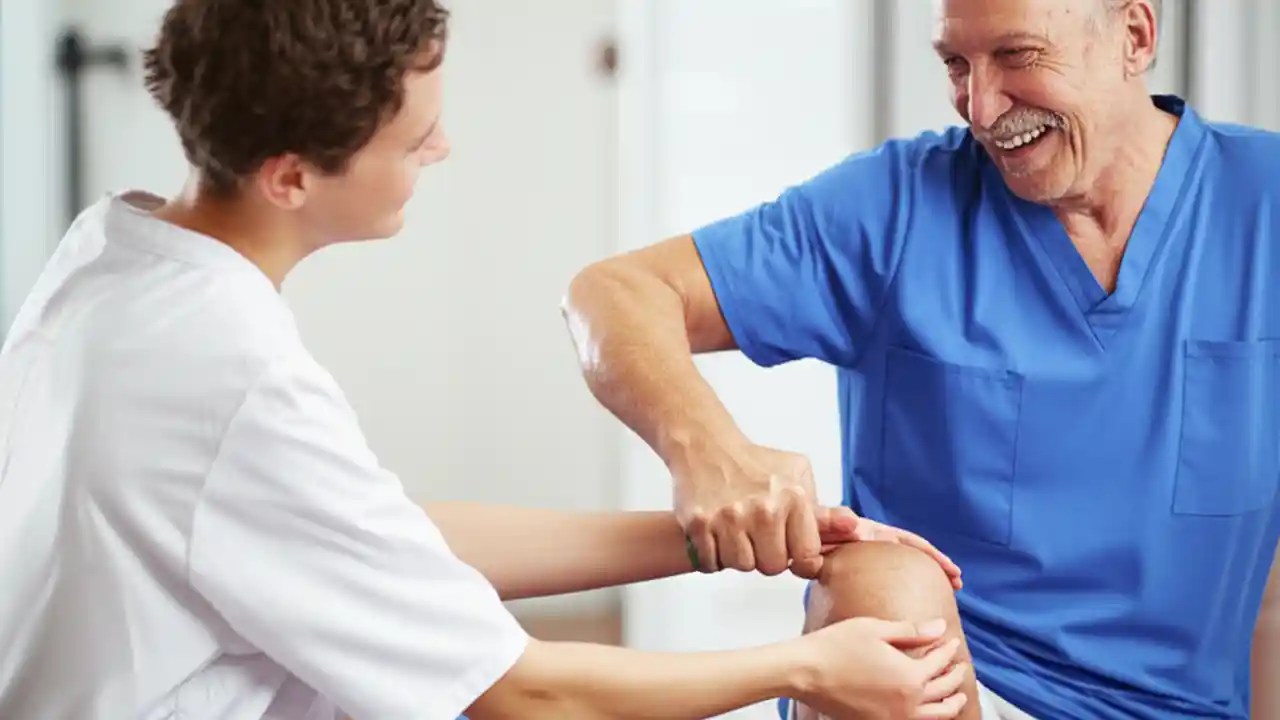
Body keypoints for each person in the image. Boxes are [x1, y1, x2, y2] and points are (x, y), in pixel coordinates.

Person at [0, 1, 978, 719]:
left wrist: (704, 539)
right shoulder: (231, 379)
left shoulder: (113, 254)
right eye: (415, 138)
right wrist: (804, 666)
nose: (442, 151)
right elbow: (527, 694)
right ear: (291, 176)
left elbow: (372, 535)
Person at [562, 0, 1280, 718]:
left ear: (1134, 35)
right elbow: (614, 293)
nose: (983, 104)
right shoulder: (895, 207)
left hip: (1182, 706)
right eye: (956, 64)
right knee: (883, 588)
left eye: (1017, 56)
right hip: (945, 688)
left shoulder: (1262, 204)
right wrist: (707, 451)